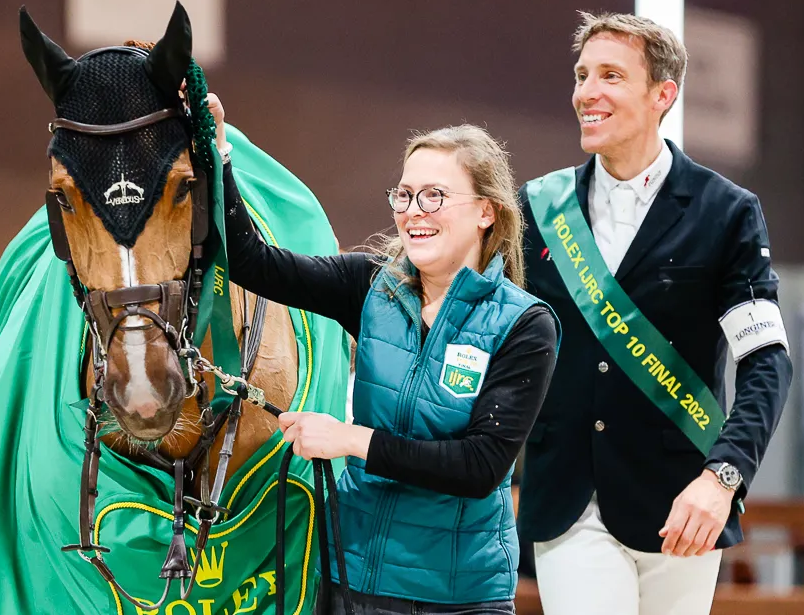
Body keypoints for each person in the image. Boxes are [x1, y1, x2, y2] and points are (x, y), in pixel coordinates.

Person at [210, 96, 561, 615]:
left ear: (487, 211)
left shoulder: (525, 324)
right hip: (350, 582)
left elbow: (480, 466)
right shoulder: (371, 285)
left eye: (435, 196)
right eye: (405, 194)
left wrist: (347, 439)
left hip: (458, 597)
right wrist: (219, 152)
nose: (414, 211)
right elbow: (253, 262)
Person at [515, 11, 793, 615]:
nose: (586, 92)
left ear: (663, 94)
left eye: (610, 76)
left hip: (687, 502)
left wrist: (723, 479)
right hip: (570, 499)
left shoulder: (727, 212)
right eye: (582, 74)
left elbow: (767, 364)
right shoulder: (536, 209)